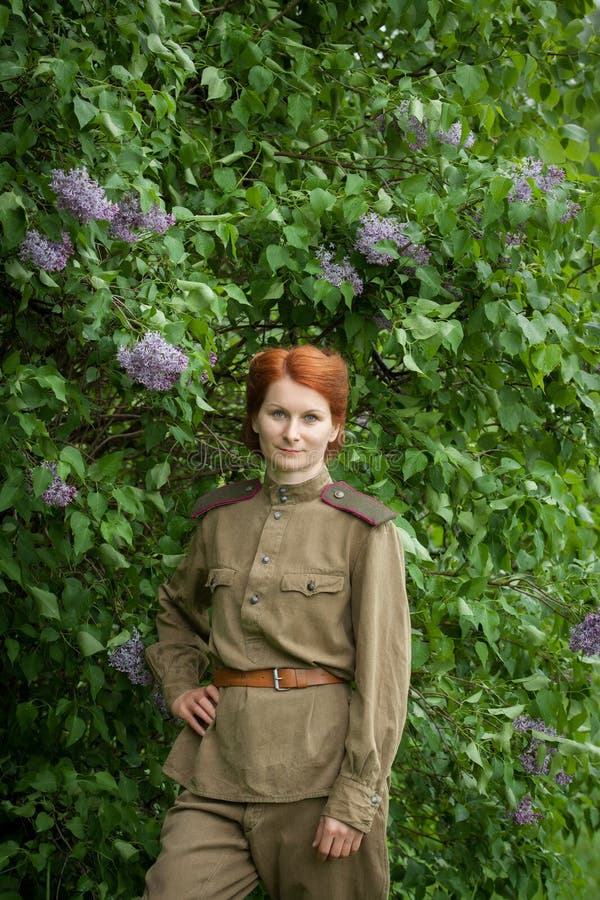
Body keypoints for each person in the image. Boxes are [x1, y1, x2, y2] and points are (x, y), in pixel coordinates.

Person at [143, 344, 411, 900]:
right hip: (220, 769)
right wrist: (180, 685)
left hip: (320, 780)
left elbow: (384, 678)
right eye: (278, 414)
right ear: (255, 421)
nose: (293, 433)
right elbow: (176, 610)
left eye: (311, 417)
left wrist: (356, 797)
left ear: (335, 427)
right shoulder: (220, 518)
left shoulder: (365, 531)